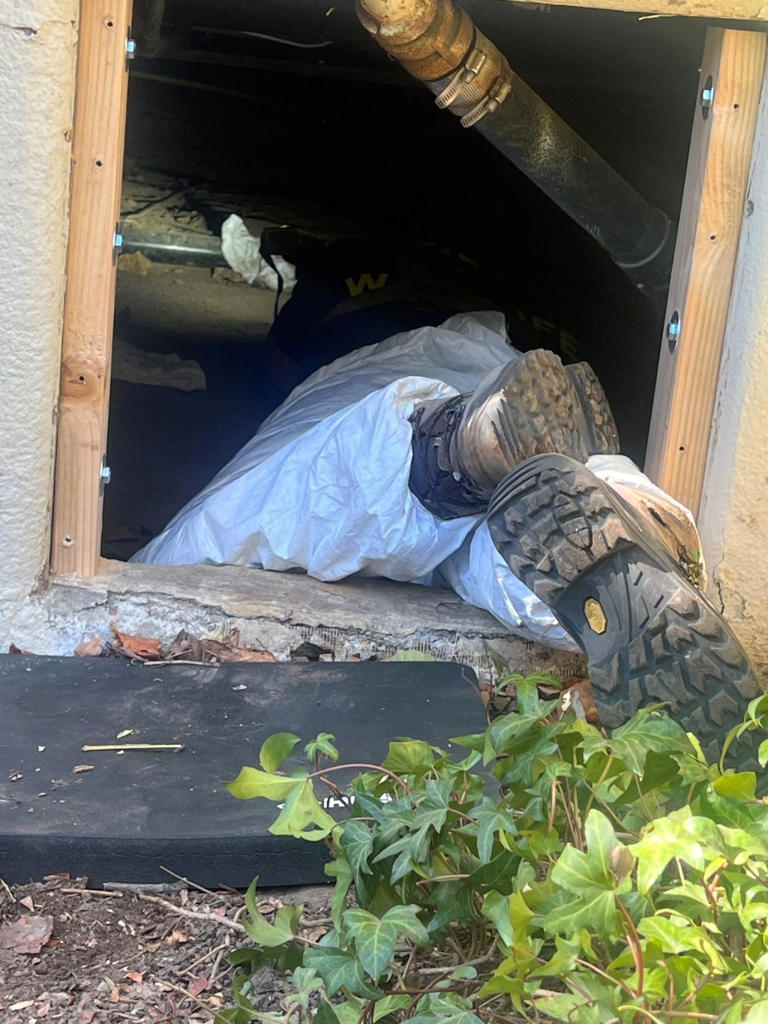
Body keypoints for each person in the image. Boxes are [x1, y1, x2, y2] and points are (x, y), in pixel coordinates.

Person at [132, 310, 760, 770]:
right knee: (501, 541)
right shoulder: (465, 337)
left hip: (432, 388)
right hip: (484, 384)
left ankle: (446, 451)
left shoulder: (354, 353)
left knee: (263, 507)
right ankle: (627, 506)